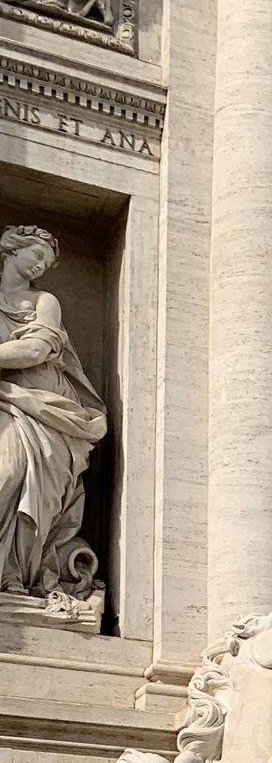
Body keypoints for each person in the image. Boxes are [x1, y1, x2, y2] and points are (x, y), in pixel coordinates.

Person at [0, 223, 108, 598]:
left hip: (46, 406)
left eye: (46, 263)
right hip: (5, 396)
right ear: (12, 248)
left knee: (15, 473)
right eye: (37, 256)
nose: (40, 267)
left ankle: (17, 575)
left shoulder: (44, 301)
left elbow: (35, 351)